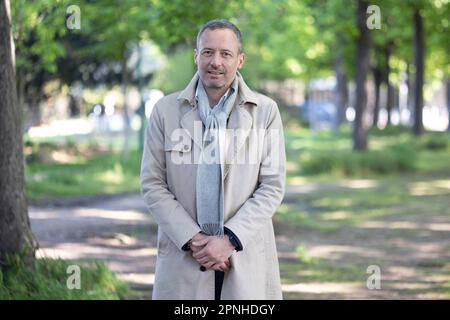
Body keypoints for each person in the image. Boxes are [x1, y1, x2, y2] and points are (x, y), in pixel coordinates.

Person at [140, 19, 286, 300]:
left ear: (240, 60)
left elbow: (272, 186)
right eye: (207, 52)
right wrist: (197, 242)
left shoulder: (265, 112)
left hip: (243, 255)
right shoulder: (165, 111)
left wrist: (229, 240)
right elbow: (152, 183)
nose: (215, 61)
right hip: (184, 257)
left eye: (225, 54)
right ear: (196, 56)